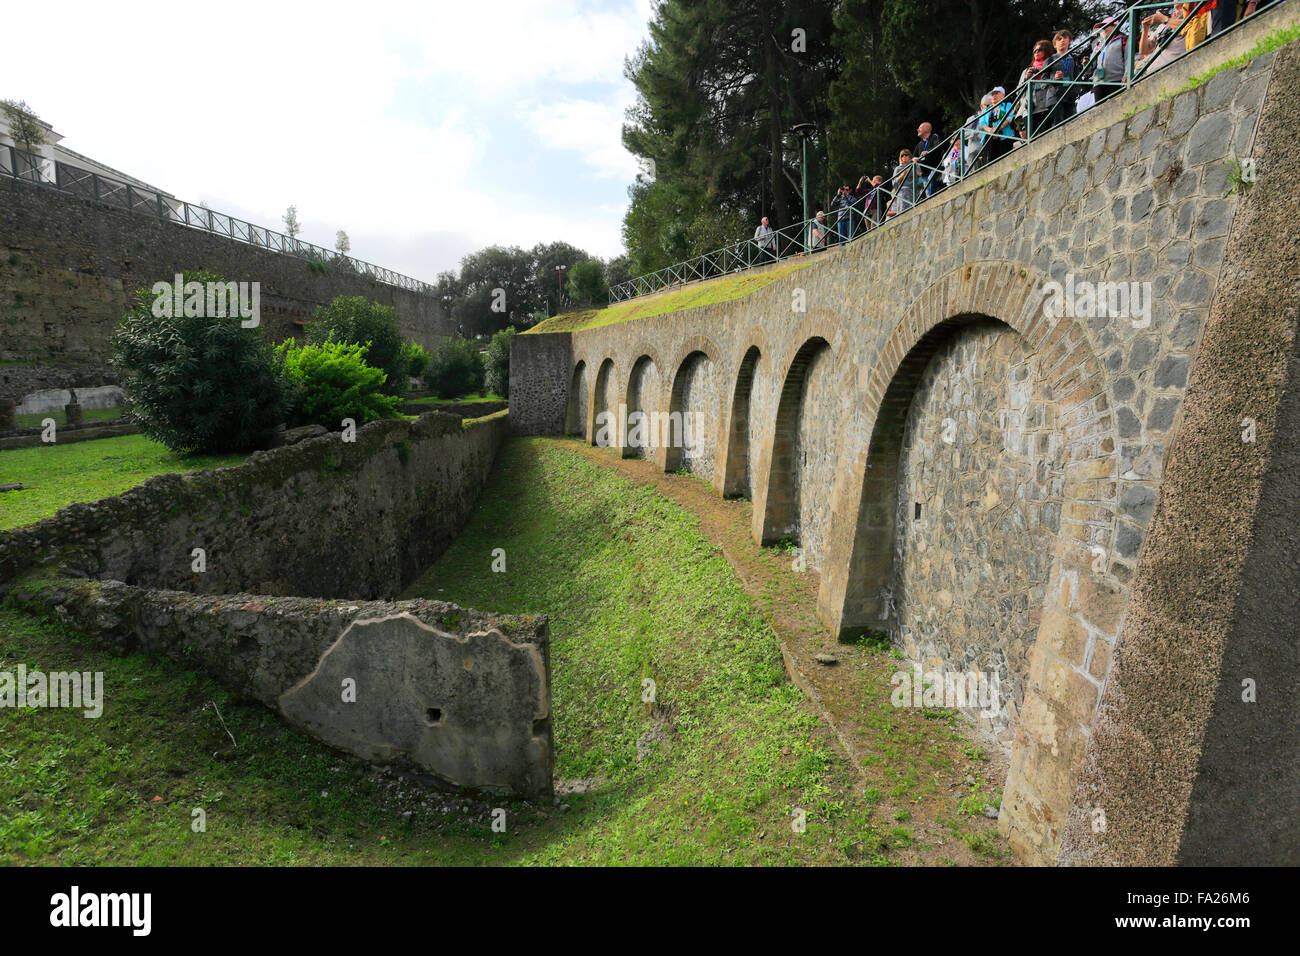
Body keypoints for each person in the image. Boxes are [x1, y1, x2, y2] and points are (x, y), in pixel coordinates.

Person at [1016, 41, 1057, 139]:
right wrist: (1026, 78)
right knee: (1032, 139)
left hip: (1046, 105)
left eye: (1040, 49)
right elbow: (1018, 92)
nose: (1036, 52)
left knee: (1047, 136)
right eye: (1034, 50)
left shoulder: (1051, 66)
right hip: (1029, 107)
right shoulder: (1026, 71)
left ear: (1046, 50)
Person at [1092, 16, 1128, 102]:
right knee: (1099, 110)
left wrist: (1126, 75)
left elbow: (1128, 58)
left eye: (1106, 25)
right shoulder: (1098, 45)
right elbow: (1092, 64)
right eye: (1102, 27)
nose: (1104, 29)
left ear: (1115, 26)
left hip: (1116, 80)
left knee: (1117, 106)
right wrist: (1085, 64)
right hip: (1098, 82)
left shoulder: (1124, 39)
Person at [978, 87, 1015, 167]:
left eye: (997, 93)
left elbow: (1009, 118)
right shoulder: (986, 110)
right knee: (989, 163)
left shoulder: (1007, 105)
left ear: (1003, 95)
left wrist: (998, 129)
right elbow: (981, 125)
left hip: (1004, 137)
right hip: (989, 138)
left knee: (1006, 161)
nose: (994, 95)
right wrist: (991, 130)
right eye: (992, 94)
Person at [914, 122, 943, 197]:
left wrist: (927, 151)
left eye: (920, 128)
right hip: (925, 173)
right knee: (928, 194)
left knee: (930, 183)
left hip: (936, 168)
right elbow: (913, 157)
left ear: (927, 129)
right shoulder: (919, 144)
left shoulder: (934, 137)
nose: (917, 129)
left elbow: (938, 146)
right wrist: (914, 159)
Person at [887, 149, 917, 217]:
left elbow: (919, 174)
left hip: (914, 190)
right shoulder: (897, 168)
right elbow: (894, 182)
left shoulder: (914, 164)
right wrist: (902, 175)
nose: (904, 157)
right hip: (902, 191)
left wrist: (914, 164)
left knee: (914, 211)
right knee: (903, 212)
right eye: (902, 155)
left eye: (906, 155)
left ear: (910, 156)